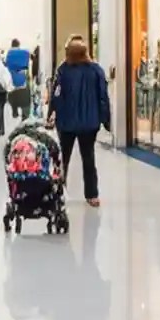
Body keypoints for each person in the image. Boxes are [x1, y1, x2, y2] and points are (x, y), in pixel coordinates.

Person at [48, 37, 109, 207]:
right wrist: (106, 119)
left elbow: (57, 94)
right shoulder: (96, 70)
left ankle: (59, 192)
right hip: (90, 123)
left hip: (66, 122)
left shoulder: (63, 70)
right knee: (88, 157)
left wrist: (51, 114)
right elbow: (103, 97)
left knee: (62, 158)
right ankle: (92, 195)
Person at [5, 38, 33, 120]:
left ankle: (14, 109)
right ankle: (25, 116)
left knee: (12, 96)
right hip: (23, 82)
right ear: (18, 45)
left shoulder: (8, 54)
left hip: (12, 83)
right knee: (25, 101)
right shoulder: (25, 53)